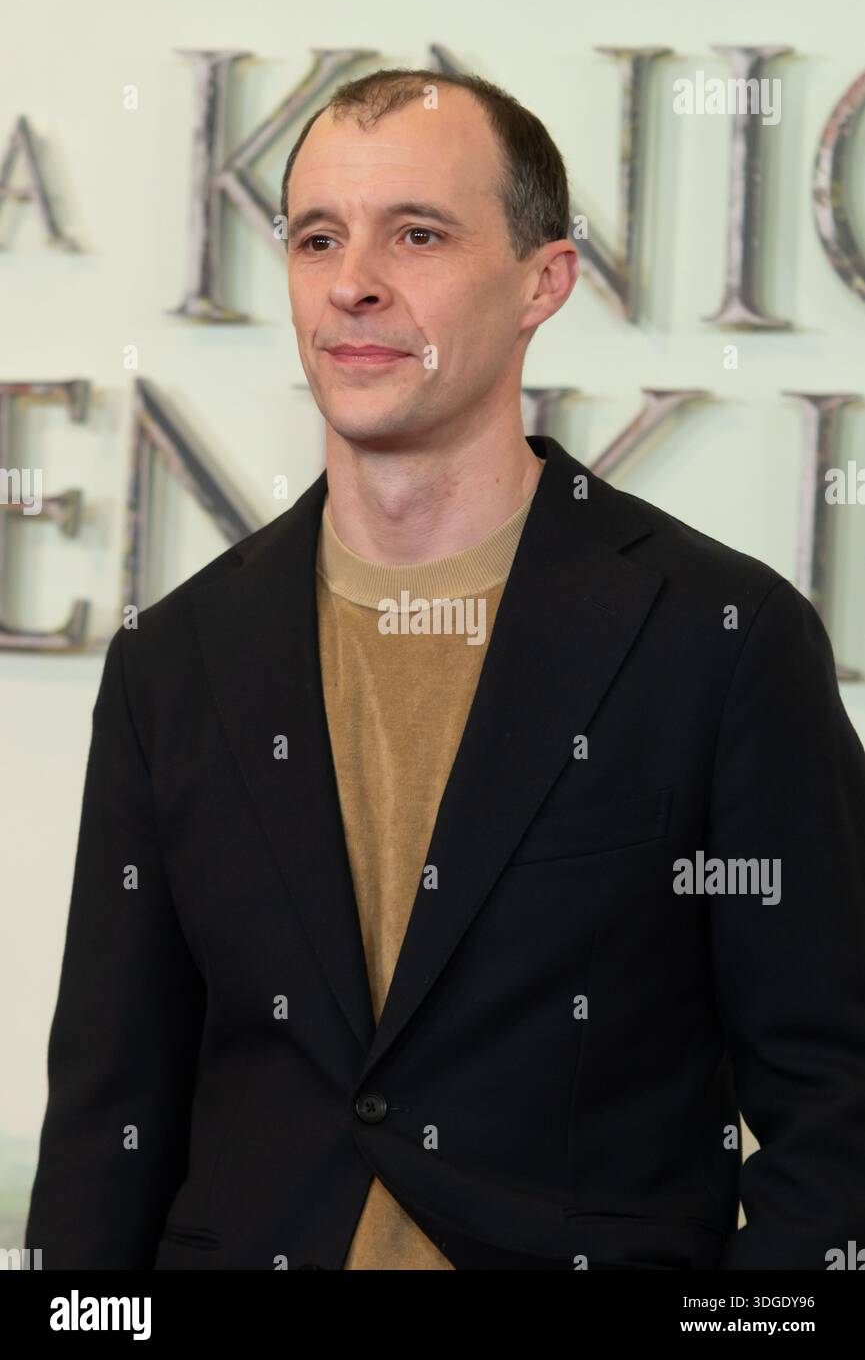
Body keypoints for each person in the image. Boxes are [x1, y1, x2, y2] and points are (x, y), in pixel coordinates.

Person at [26, 68, 865, 1270]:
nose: (354, 279)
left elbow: (836, 1105)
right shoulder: (177, 659)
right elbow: (111, 1116)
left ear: (545, 281)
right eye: (318, 236)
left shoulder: (721, 639)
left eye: (416, 233)